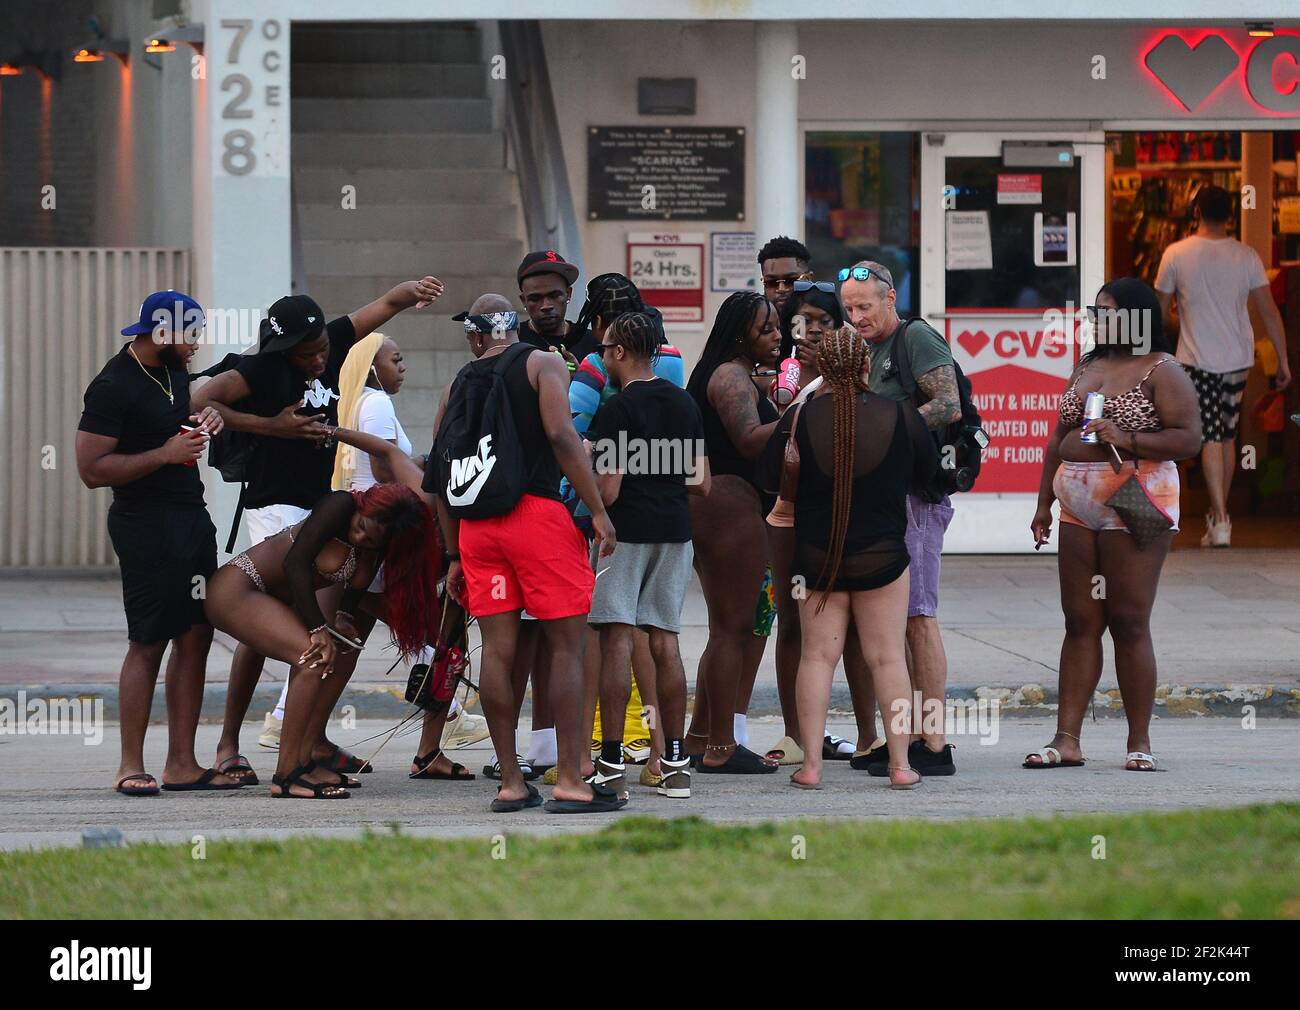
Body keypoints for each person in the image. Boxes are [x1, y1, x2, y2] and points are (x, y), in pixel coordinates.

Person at [192, 277, 441, 783]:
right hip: (275, 503)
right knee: (285, 629)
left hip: (320, 502)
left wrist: (411, 291)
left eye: (322, 350)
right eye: (306, 356)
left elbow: (384, 305)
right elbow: (200, 402)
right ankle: (235, 744)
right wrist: (272, 427)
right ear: (284, 349)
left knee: (332, 629)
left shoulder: (331, 341)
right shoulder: (262, 369)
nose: (318, 361)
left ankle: (312, 741)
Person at [432, 294, 623, 814]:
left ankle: (512, 782)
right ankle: (569, 780)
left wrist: (453, 555)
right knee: (566, 647)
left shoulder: (457, 386)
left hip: (477, 531)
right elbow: (562, 436)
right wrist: (598, 512)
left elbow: (439, 476)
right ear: (512, 328)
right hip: (536, 518)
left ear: (477, 335)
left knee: (499, 650)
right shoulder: (542, 364)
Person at [1030, 278, 1201, 772]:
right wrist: (1043, 503)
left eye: (1105, 311)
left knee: (1127, 620)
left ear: (1137, 317)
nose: (1094, 319)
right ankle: (1067, 741)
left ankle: (1138, 743)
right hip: (1077, 507)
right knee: (1080, 620)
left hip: (1135, 499)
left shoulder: (1162, 370)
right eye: (1094, 311)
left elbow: (1188, 439)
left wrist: (1125, 437)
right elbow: (1058, 436)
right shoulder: (1087, 364)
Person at [76, 290, 241, 795]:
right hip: (145, 525)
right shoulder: (112, 386)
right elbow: (91, 470)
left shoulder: (173, 374)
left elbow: (178, 423)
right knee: (148, 639)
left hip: (190, 518)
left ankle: (183, 764)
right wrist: (165, 454)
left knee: (195, 635)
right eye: (190, 337)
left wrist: (206, 420)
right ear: (164, 334)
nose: (196, 346)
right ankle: (130, 764)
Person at [205, 479, 441, 797]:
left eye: (371, 539)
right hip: (240, 586)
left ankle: (304, 763)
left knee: (327, 657)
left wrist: (342, 619)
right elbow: (295, 563)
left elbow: (353, 592)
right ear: (363, 509)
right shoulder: (341, 504)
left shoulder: (377, 545)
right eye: (360, 527)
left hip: (272, 600)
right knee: (313, 657)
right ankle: (287, 776)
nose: (360, 537)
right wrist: (318, 629)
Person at [785, 326, 936, 790]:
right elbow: (931, 476)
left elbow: (771, 476)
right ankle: (899, 765)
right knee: (888, 659)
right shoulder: (899, 414)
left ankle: (811, 766)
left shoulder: (801, 416)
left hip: (817, 558)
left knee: (816, 658)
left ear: (822, 368)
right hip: (883, 556)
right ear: (866, 363)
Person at [330, 334, 486, 781]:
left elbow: (391, 457)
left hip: (433, 558)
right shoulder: (420, 473)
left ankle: (424, 752)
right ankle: (311, 744)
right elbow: (386, 458)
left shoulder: (469, 462)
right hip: (403, 560)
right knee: (435, 646)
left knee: (443, 651)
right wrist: (331, 433)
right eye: (395, 359)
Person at [841, 260, 961, 777]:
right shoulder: (866, 347)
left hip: (918, 498)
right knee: (897, 622)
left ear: (890, 298)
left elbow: (949, 404)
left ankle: (934, 743)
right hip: (887, 498)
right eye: (848, 309)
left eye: (865, 306)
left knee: (919, 617)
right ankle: (908, 736)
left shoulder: (916, 338)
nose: (857, 317)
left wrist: (886, 430)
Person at [587, 312, 710, 801]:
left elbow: (610, 489)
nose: (600, 356)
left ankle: (611, 762)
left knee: (617, 638)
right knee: (665, 639)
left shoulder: (617, 409)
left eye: (604, 349)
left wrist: (594, 488)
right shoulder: (684, 404)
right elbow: (701, 481)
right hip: (676, 533)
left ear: (619, 352)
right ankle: (676, 763)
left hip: (626, 535)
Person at [761, 282, 881, 767]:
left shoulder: (858, 375)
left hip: (852, 518)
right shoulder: (775, 374)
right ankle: (796, 735)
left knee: (856, 629)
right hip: (791, 521)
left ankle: (871, 735)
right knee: (792, 622)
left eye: (823, 323)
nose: (811, 332)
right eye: (801, 322)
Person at [1154, 185, 1291, 547]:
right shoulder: (1246, 256)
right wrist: (1283, 359)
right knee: (1226, 435)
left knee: (1211, 436)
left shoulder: (1176, 254)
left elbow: (1159, 310)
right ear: (1230, 214)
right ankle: (1217, 517)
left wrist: (1176, 322)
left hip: (1196, 358)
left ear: (1196, 211)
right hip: (1238, 359)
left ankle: (1222, 519)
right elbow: (1268, 311)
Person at [684, 291, 782, 773]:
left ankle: (701, 737)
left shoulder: (729, 374)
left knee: (725, 628)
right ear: (740, 333)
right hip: (728, 506)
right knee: (732, 629)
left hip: (721, 506)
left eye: (778, 327)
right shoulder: (729, 375)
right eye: (766, 329)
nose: (778, 336)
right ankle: (722, 746)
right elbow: (746, 440)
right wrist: (801, 416)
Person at [516, 249, 598, 363]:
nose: (546, 306)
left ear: (568, 294)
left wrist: (581, 378)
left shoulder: (592, 343)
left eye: (554, 295)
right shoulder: (513, 342)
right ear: (523, 300)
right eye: (535, 298)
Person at [758, 235, 815, 315]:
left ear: (808, 279)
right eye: (772, 282)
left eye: (790, 281)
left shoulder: (827, 322)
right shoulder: (751, 324)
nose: (781, 289)